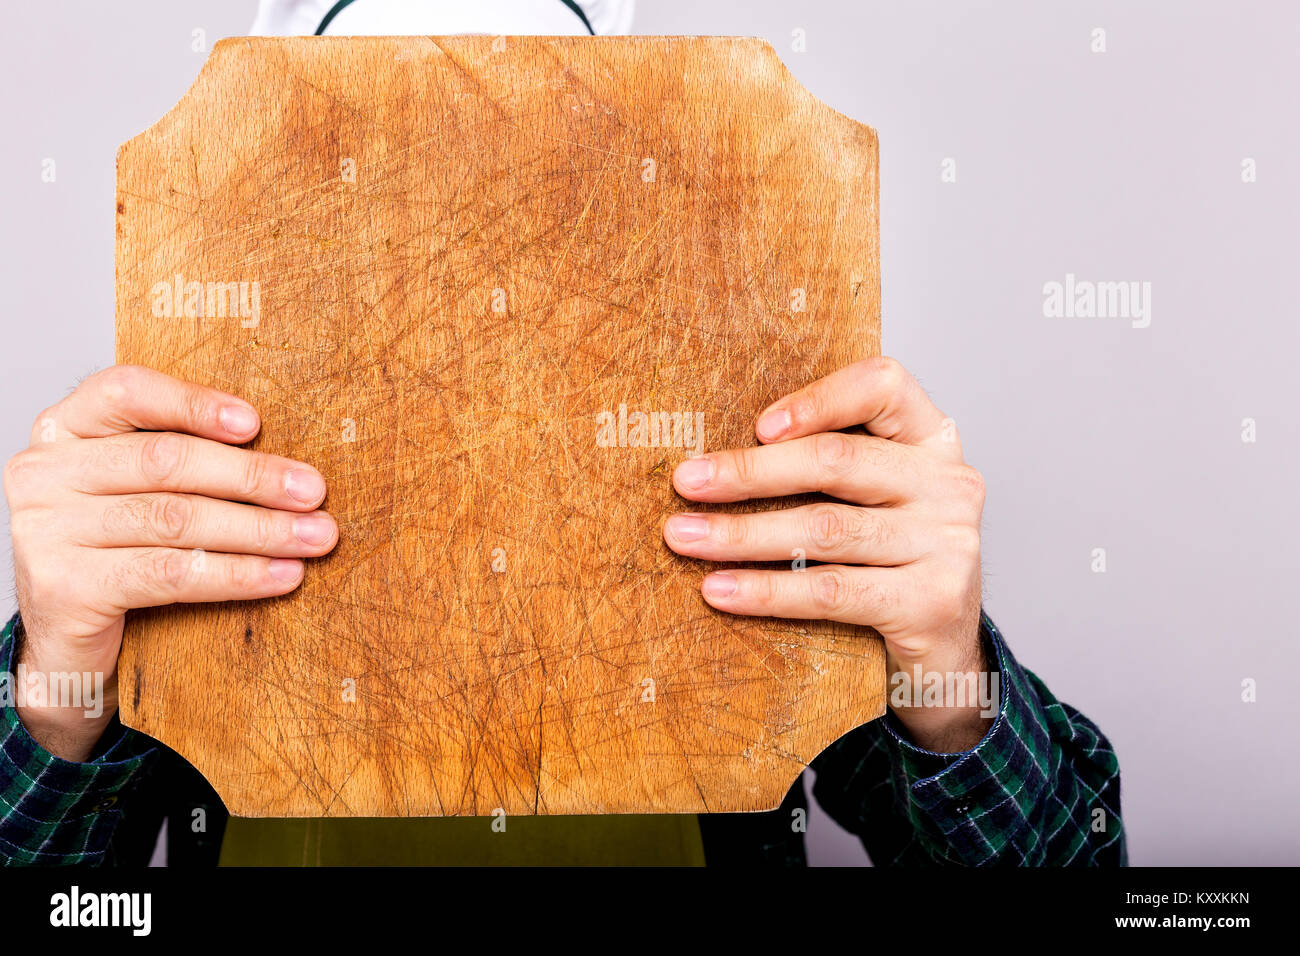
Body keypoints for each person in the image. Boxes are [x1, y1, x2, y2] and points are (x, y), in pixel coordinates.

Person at [0, 0, 1124, 866]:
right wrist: (55, 692)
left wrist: (950, 682)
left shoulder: (751, 480)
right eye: (368, 210)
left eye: (530, 196)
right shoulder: (180, 506)